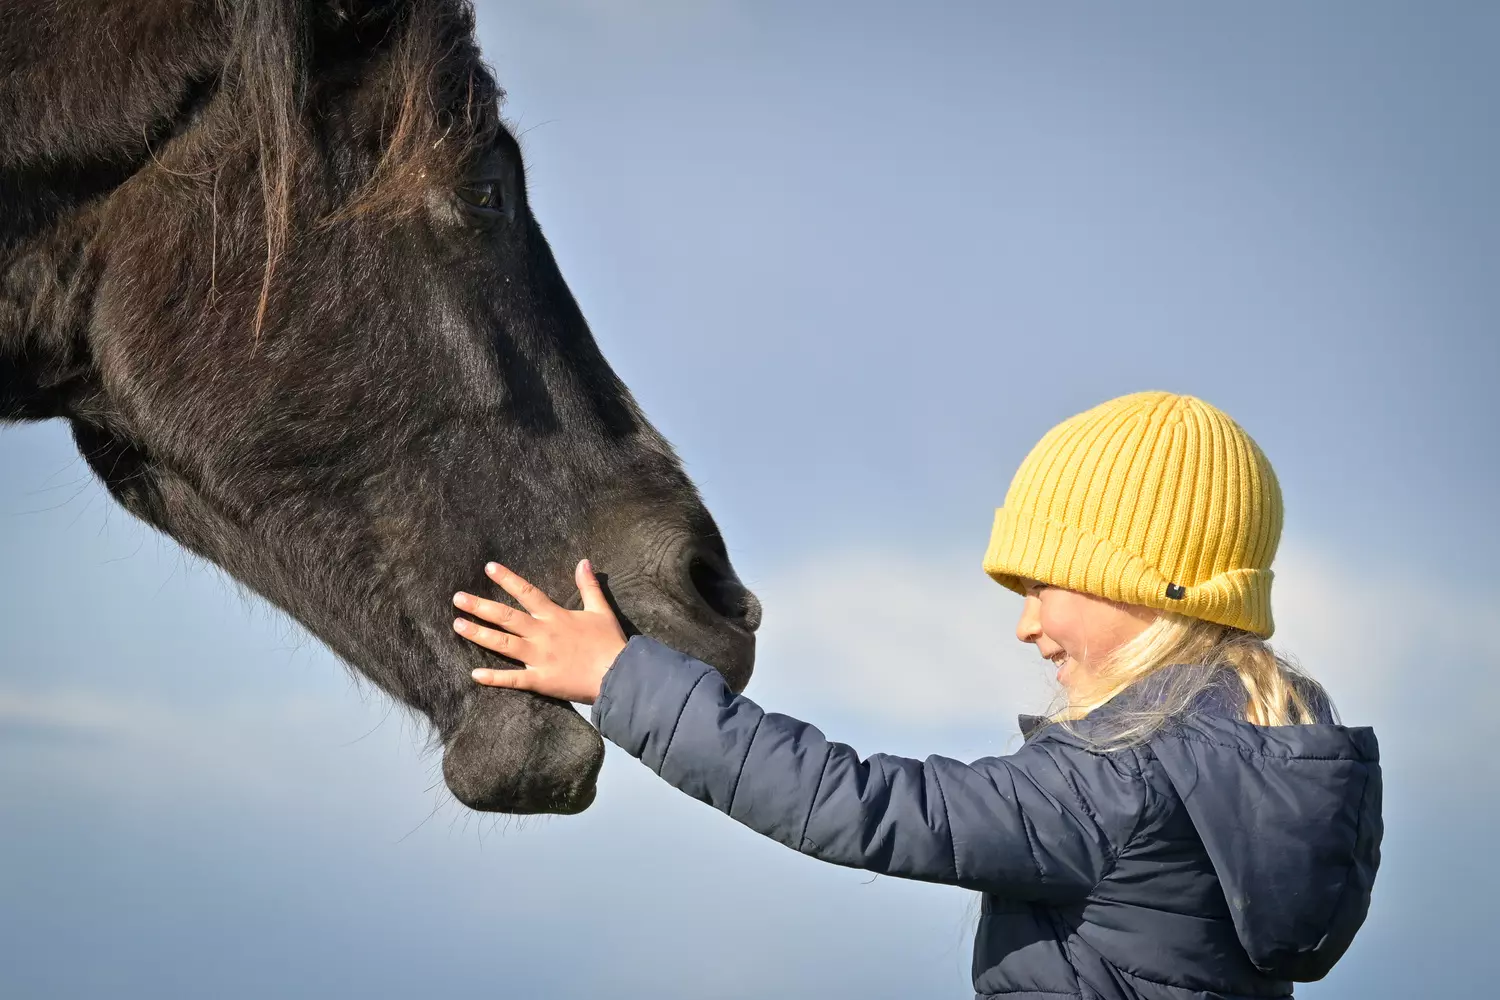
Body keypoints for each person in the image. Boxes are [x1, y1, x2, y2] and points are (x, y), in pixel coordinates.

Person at [450, 390, 1382, 1000]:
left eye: (1040, 587)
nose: (1026, 626)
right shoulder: (1272, 761)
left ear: (1134, 585)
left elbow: (863, 807)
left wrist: (622, 679)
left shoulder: (1121, 785)